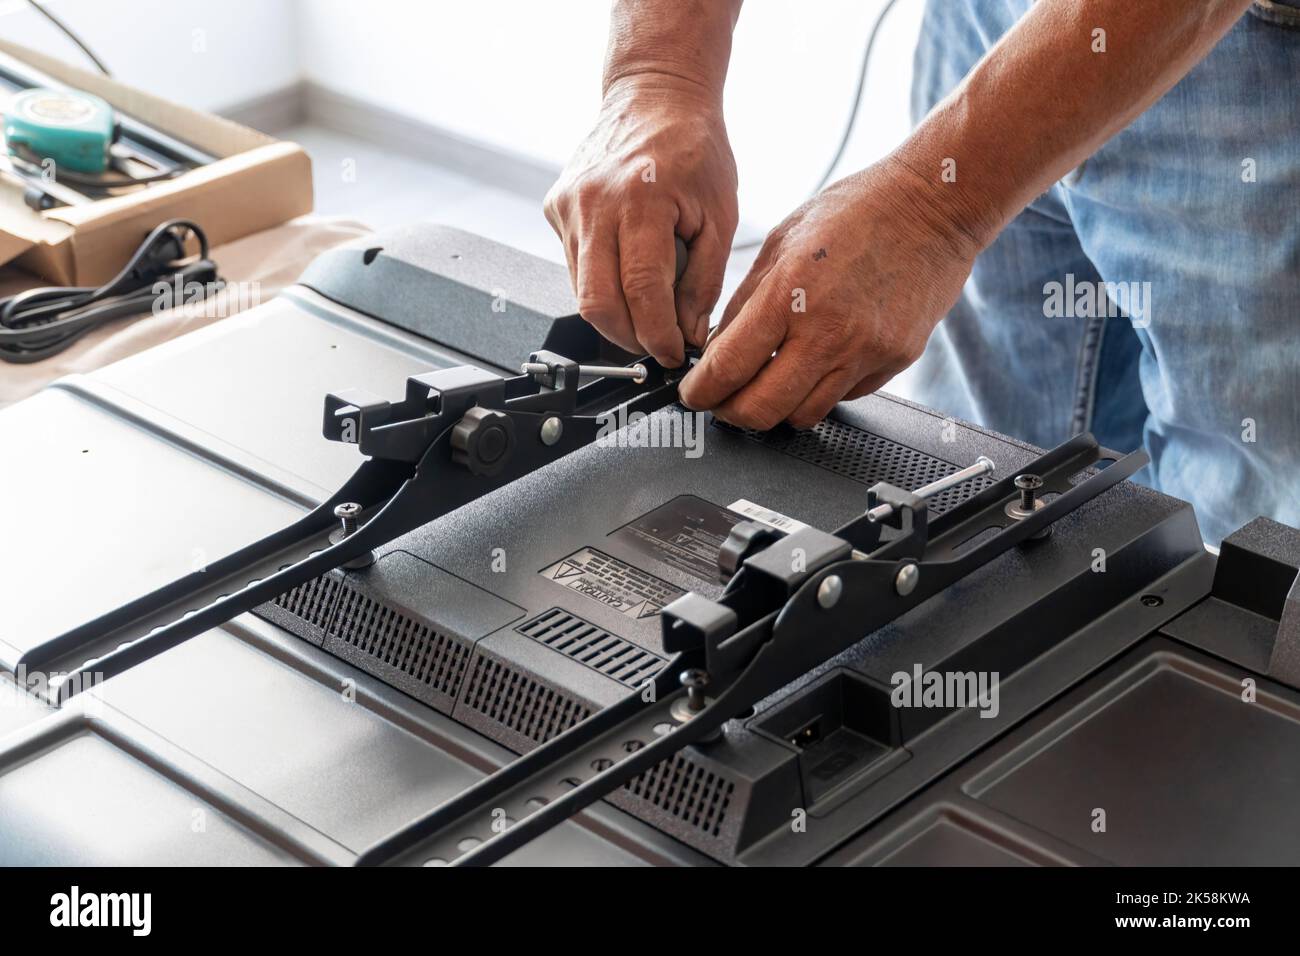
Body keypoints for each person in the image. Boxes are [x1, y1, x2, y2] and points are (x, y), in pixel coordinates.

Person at [543, 0, 1300, 545]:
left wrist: (931, 211)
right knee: (976, 487)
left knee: (1236, 522)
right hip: (988, 25)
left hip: (1245, 51)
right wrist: (657, 72)